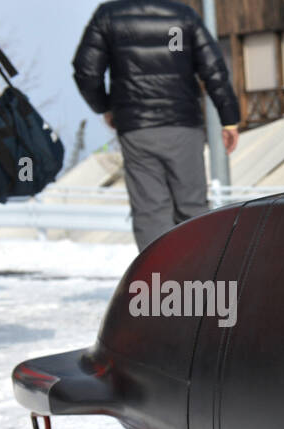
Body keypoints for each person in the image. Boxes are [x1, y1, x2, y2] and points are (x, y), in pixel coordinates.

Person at [72, 0, 240, 250]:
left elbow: (86, 71)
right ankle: (196, 277)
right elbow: (214, 70)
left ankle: (158, 281)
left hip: (137, 128)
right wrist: (229, 119)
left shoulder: (108, 15)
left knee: (150, 211)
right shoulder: (183, 14)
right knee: (192, 207)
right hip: (183, 125)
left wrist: (107, 107)